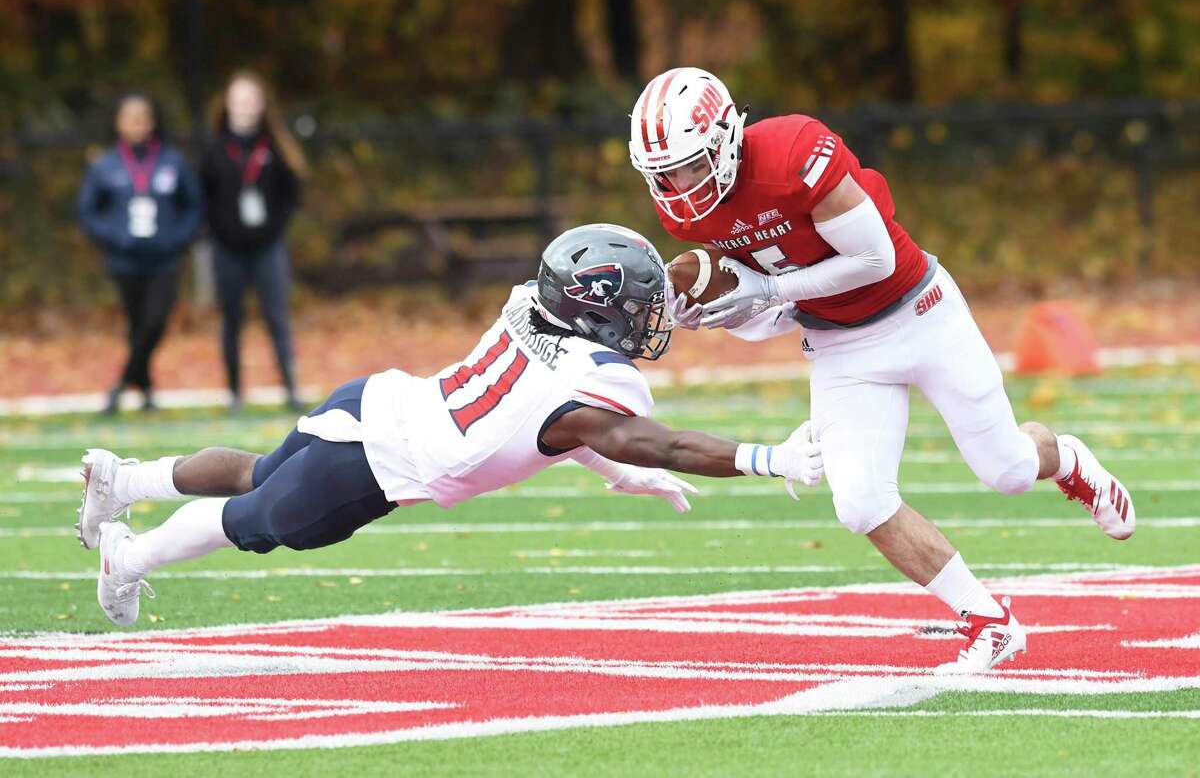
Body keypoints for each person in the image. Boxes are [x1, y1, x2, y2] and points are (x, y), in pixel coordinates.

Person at [627, 68, 1137, 673]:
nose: (679, 186)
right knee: (860, 503)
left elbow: (875, 258)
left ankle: (1065, 457)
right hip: (841, 345)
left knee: (1008, 471)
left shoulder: (794, 151)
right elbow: (777, 312)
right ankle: (989, 622)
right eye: (663, 175)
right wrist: (722, 314)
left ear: (726, 137)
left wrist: (766, 286)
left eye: (688, 166)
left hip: (920, 311)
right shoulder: (687, 218)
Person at [76, 224, 826, 627]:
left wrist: (617, 468)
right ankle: (127, 556)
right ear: (596, 312)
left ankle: (123, 478)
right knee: (253, 518)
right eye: (639, 303)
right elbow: (640, 436)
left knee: (257, 470)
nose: (652, 318)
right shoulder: (598, 381)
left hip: (375, 400)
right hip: (380, 466)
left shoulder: (531, 301)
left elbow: (565, 426)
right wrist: (771, 457)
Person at [77, 93, 203, 414]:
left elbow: (193, 205)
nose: (137, 123)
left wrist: (177, 237)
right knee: (137, 325)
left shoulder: (172, 162)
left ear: (152, 121)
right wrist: (113, 237)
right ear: (118, 122)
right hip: (125, 260)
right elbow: (87, 210)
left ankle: (121, 385)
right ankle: (145, 389)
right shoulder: (106, 165)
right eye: (129, 116)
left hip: (164, 259)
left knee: (155, 322)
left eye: (142, 116)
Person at [201, 70, 308, 411]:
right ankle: (234, 392)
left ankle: (290, 387)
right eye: (239, 99)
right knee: (231, 320)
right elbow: (204, 197)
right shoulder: (214, 150)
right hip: (227, 250)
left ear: (262, 105)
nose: (245, 107)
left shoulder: (276, 149)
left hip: (267, 248)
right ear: (227, 104)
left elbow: (291, 196)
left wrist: (273, 229)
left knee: (276, 316)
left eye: (251, 100)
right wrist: (220, 232)